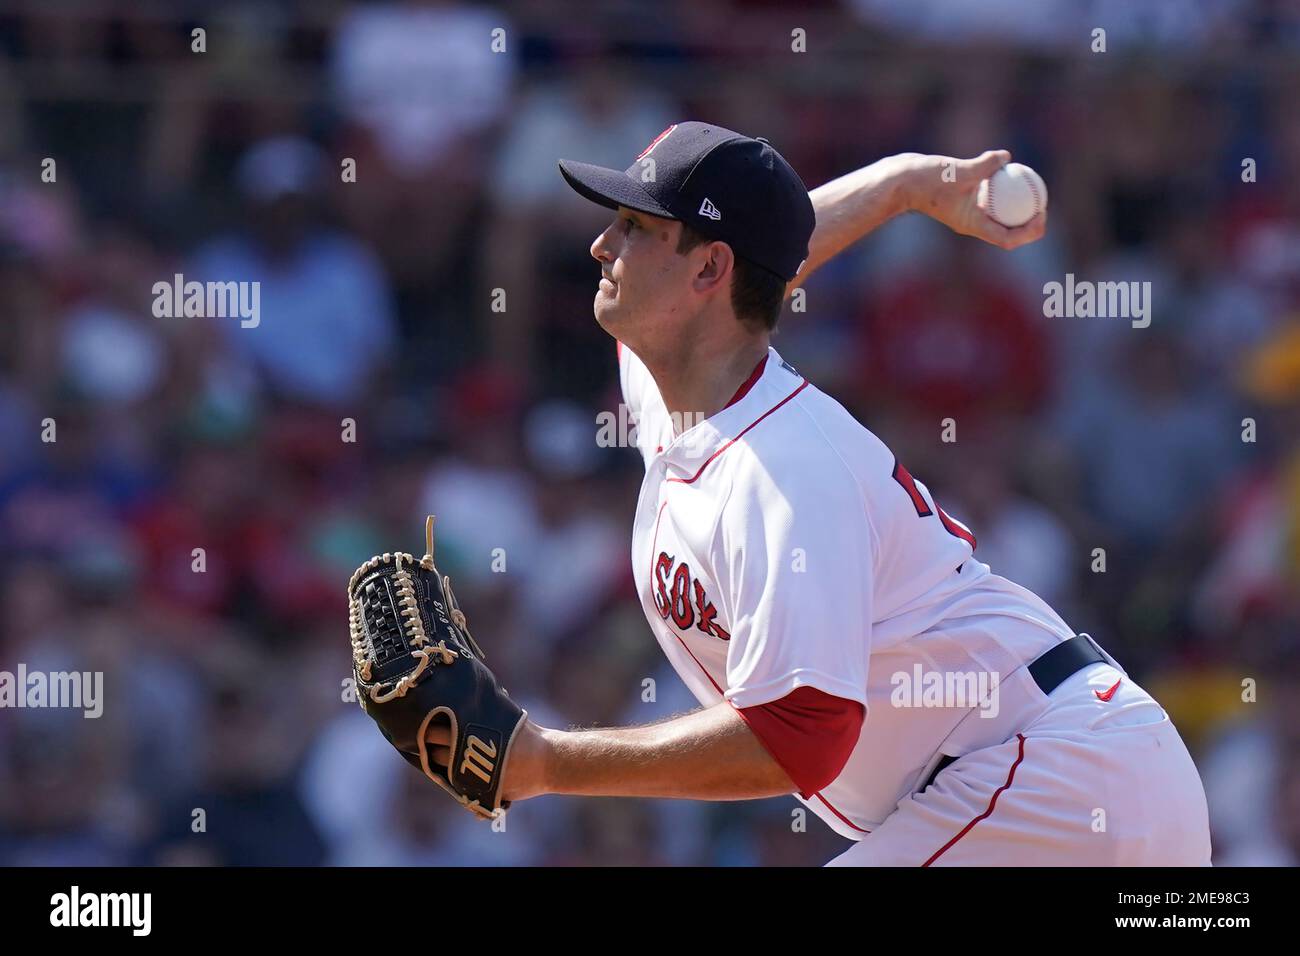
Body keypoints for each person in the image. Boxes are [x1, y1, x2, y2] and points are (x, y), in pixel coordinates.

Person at [425, 122, 1212, 865]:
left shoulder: (784, 473)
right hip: (1035, 781)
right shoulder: (675, 373)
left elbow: (801, 737)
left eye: (635, 226)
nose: (602, 244)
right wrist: (901, 186)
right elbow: (765, 268)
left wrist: (545, 761)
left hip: (1054, 775)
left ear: (705, 270)